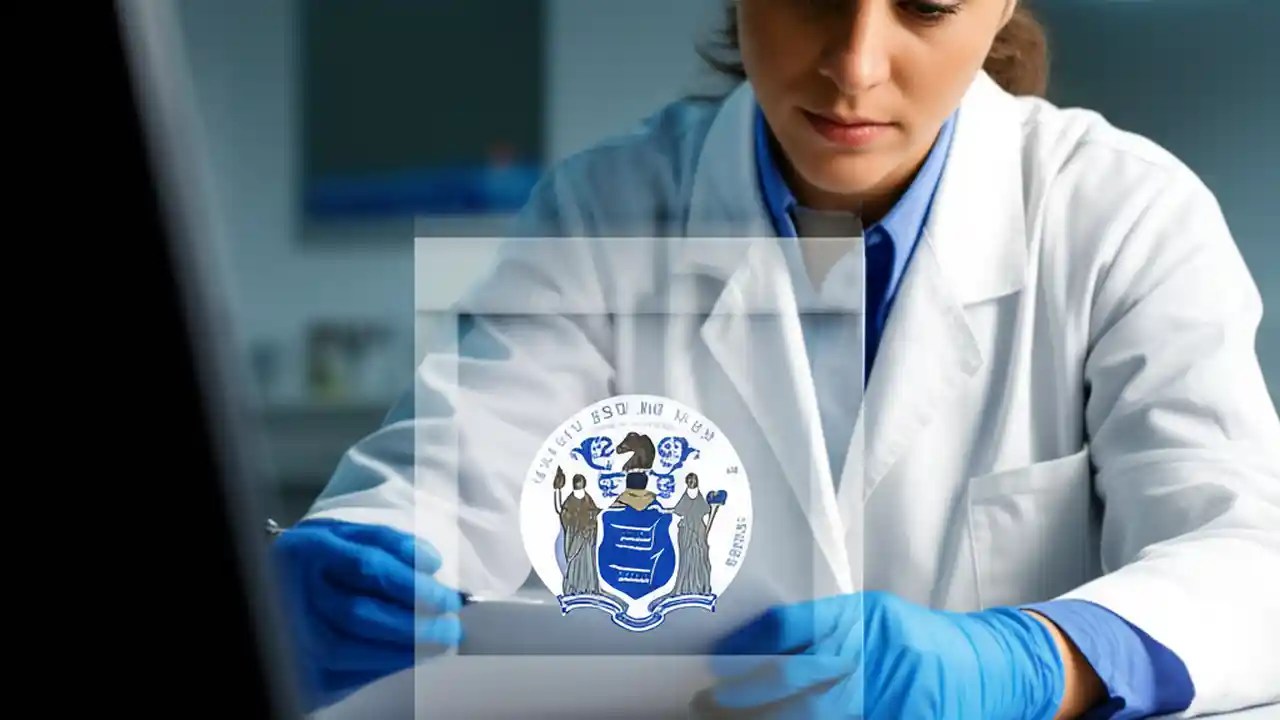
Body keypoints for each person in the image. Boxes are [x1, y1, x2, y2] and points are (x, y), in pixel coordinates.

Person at [271, 0, 1280, 717]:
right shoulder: (604, 213)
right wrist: (346, 572)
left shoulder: (1120, 216)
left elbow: (1247, 567)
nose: (853, 64)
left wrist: (1026, 663)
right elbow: (454, 479)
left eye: (924, 8)